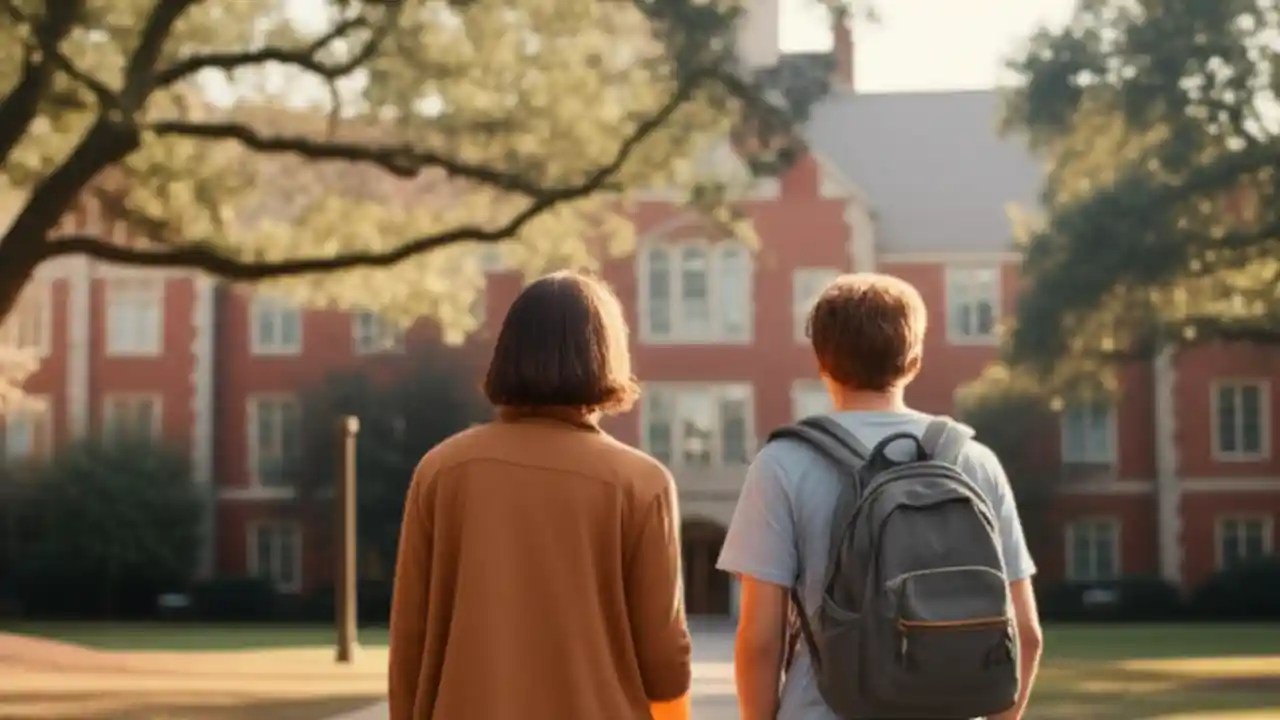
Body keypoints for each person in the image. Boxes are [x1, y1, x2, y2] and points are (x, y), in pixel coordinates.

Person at [717, 272, 1043, 720]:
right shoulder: (973, 460)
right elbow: (1025, 633)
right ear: (915, 359)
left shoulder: (782, 464)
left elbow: (760, 639)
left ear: (822, 362)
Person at [389, 271, 692, 720]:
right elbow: (665, 669)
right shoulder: (641, 483)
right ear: (608, 353)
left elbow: (409, 649)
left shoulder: (441, 471)